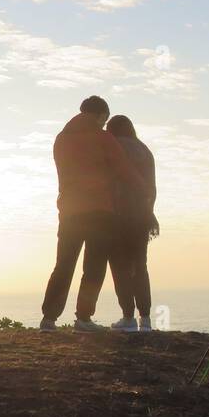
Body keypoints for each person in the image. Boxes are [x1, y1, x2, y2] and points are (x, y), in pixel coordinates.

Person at [39, 96, 144, 332]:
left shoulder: (61, 139)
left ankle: (48, 319)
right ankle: (83, 319)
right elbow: (124, 169)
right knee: (93, 267)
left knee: (64, 264)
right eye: (104, 119)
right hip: (99, 211)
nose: (105, 123)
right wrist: (143, 191)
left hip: (69, 210)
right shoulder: (103, 138)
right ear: (100, 115)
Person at [105, 115, 157, 332]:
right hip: (142, 217)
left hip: (117, 216)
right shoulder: (144, 150)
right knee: (140, 266)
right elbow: (151, 188)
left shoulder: (112, 148)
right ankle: (145, 319)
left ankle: (128, 318)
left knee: (120, 267)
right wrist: (148, 211)